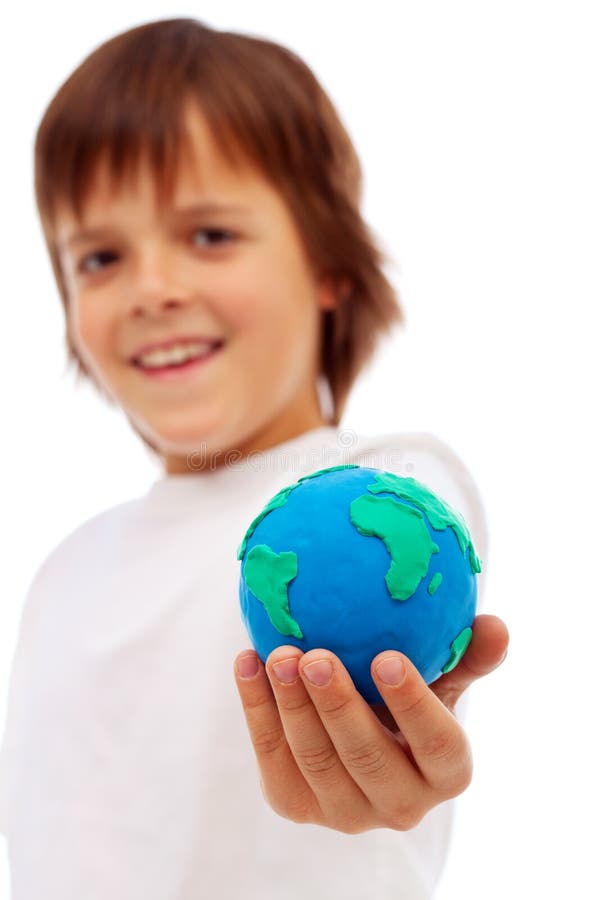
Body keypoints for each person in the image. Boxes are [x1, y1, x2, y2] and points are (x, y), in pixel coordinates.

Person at [0, 17, 509, 900]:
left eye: (209, 236)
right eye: (101, 256)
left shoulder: (384, 487)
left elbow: (423, 508)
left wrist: (386, 756)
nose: (153, 288)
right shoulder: (63, 571)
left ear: (328, 265)